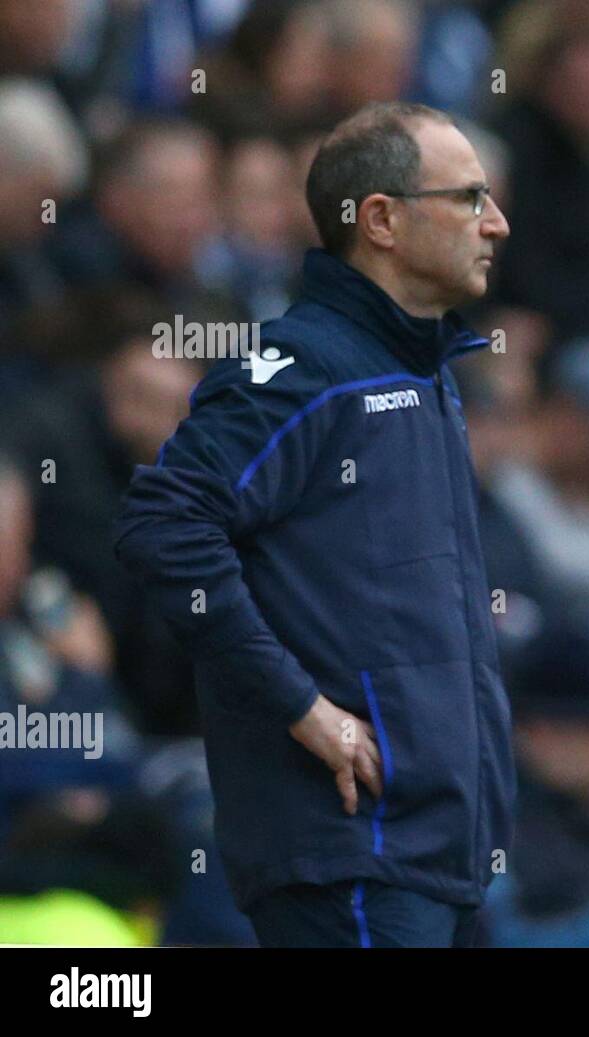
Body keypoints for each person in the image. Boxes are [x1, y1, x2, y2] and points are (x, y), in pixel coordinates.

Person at [114, 101, 516, 947]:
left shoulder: (428, 371)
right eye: (471, 198)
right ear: (381, 220)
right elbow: (164, 525)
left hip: (430, 853)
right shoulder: (302, 369)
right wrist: (301, 706)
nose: (498, 224)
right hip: (351, 854)